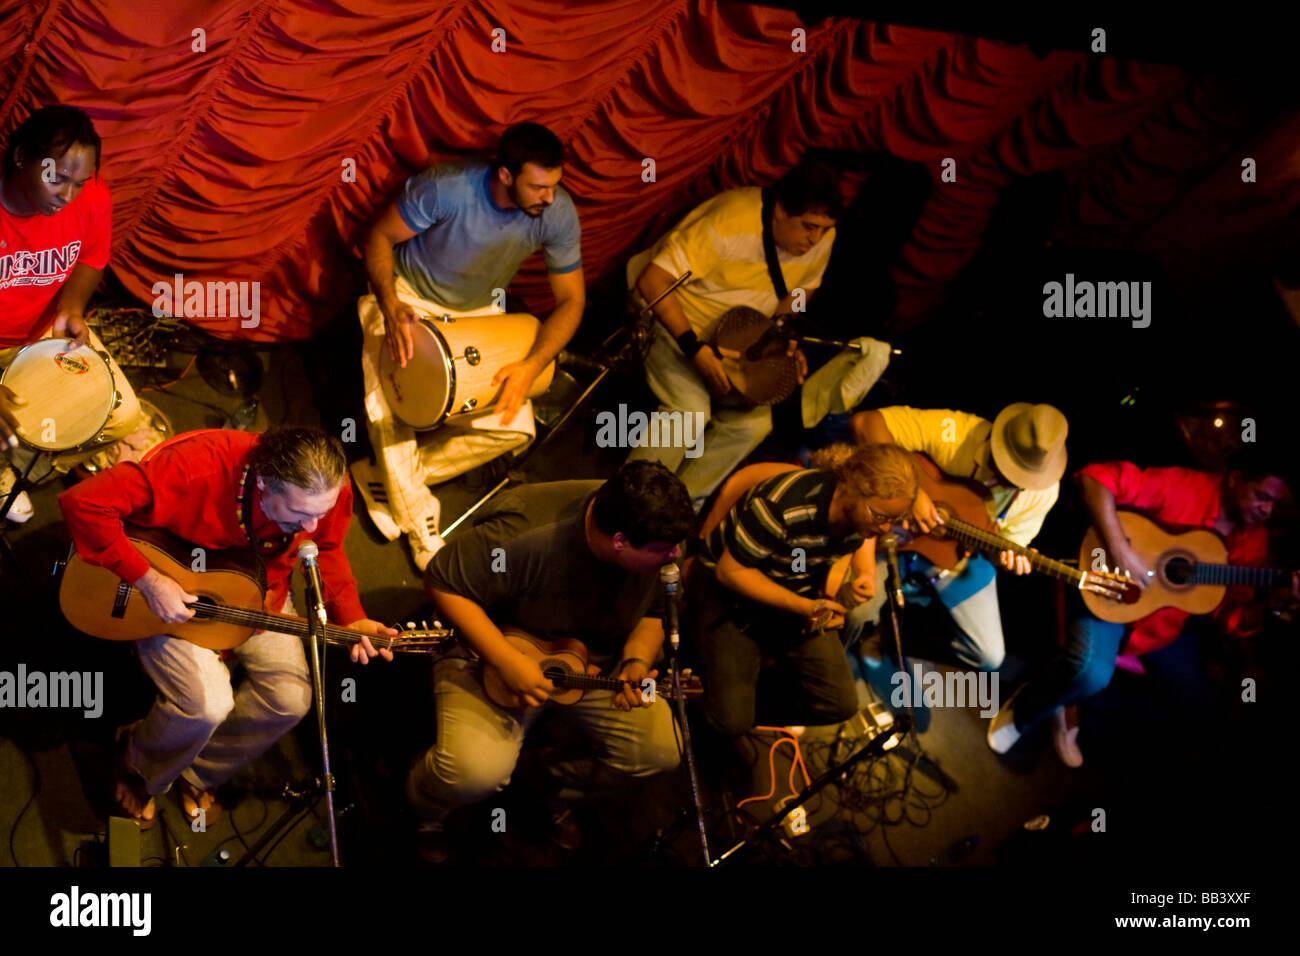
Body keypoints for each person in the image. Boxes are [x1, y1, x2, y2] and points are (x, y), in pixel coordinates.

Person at [60, 427, 397, 827]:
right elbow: (83, 503)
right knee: (208, 705)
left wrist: (351, 615)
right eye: (298, 514)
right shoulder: (194, 467)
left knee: (291, 700)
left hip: (260, 592)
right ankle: (139, 765)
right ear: (263, 484)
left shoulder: (325, 486)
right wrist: (148, 579)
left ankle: (194, 770)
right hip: (166, 594)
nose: (310, 526)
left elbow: (325, 547)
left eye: (320, 513)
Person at [408, 461, 697, 854]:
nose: (676, 556)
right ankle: (426, 810)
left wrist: (636, 663)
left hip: (586, 666)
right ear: (619, 541)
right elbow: (441, 581)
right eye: (666, 551)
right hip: (490, 654)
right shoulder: (526, 534)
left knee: (661, 749)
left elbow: (655, 613)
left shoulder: (654, 534)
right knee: (472, 772)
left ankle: (543, 783)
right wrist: (506, 661)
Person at [358, 122, 585, 569]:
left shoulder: (556, 213)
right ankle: (421, 523)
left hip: (480, 313)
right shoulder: (446, 187)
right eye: (538, 187)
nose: (549, 198)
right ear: (504, 176)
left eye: (554, 186)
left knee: (515, 427)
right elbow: (379, 237)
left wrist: (533, 363)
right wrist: (389, 302)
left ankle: (385, 478)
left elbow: (572, 301)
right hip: (408, 299)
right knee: (387, 406)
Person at [988, 448, 1299, 767]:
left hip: (1160, 630)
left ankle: (1070, 701)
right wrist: (1120, 551)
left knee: (1200, 705)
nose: (1267, 510)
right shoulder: (1184, 486)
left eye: (1275, 503)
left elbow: (1230, 619)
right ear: (1235, 480)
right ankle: (1027, 708)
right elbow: (1095, 478)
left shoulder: (1254, 543)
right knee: (1091, 673)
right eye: (1263, 496)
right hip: (1110, 590)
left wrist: (1274, 605)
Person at [625, 160, 843, 508]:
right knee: (689, 411)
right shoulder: (729, 220)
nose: (815, 239)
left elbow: (801, 293)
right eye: (808, 227)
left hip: (738, 340)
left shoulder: (821, 239)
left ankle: (678, 507)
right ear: (780, 210)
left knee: (752, 425)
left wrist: (782, 338)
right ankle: (629, 505)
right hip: (674, 322)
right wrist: (694, 348)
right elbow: (653, 282)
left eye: (824, 229)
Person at [690, 442, 918, 739]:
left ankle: (745, 707)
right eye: (881, 517)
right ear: (852, 488)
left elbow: (858, 539)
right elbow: (730, 572)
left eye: (894, 520)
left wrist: (865, 573)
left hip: (790, 598)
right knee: (730, 720)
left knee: (840, 704)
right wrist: (805, 607)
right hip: (730, 600)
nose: (887, 529)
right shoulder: (781, 506)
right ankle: (712, 711)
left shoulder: (858, 519)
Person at [1, 105, 145, 521]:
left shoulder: (92, 198)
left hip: (44, 335)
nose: (68, 196)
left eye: (79, 183)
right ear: (21, 158)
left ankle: (29, 456)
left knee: (121, 418)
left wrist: (71, 308)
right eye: (57, 178)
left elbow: (91, 257)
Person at [846, 403, 1068, 670]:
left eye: (1023, 477)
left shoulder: (1043, 493)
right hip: (896, 533)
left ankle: (892, 638)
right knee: (854, 611)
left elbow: (1005, 545)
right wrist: (912, 491)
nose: (1011, 479)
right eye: (1009, 466)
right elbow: (864, 422)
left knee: (989, 655)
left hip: (961, 554)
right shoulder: (958, 432)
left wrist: (1006, 558)